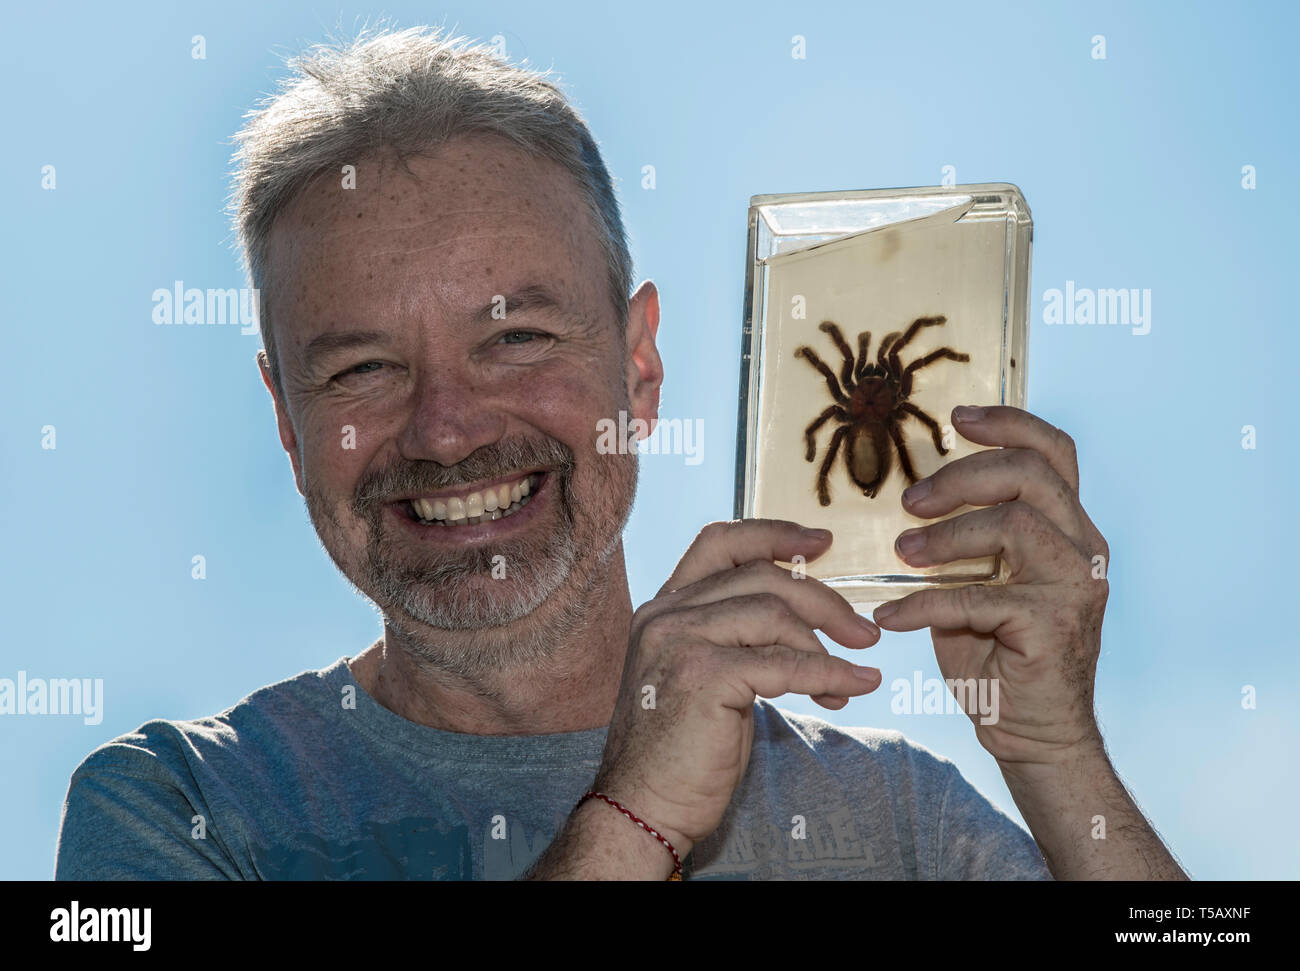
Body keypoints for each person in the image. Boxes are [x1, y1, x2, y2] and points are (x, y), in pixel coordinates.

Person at [55, 25, 1185, 881]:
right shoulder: (180, 806)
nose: (447, 426)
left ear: (639, 370)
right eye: (362, 368)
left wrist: (1054, 752)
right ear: (286, 421)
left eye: (516, 338)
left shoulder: (894, 812)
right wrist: (631, 816)